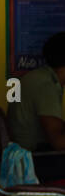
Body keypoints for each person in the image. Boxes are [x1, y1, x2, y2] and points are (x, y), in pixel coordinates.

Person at [8, 31, 65, 183]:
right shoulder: (46, 85)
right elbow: (58, 142)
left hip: (24, 159)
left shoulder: (39, 78)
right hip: (32, 162)